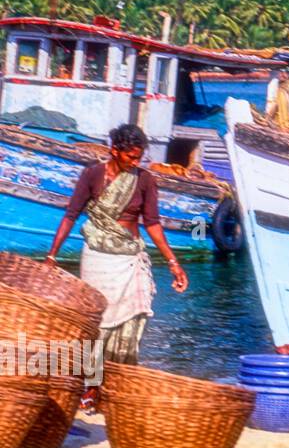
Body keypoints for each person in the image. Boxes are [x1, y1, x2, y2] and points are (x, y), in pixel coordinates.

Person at [46, 124, 189, 402]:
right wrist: (52, 255)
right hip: (97, 260)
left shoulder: (145, 180)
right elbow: (71, 216)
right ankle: (91, 386)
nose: (136, 162)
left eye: (139, 157)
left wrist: (173, 262)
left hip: (129, 260)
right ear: (115, 151)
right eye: (131, 157)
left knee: (131, 320)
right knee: (95, 323)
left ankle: (117, 383)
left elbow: (153, 224)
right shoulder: (92, 175)